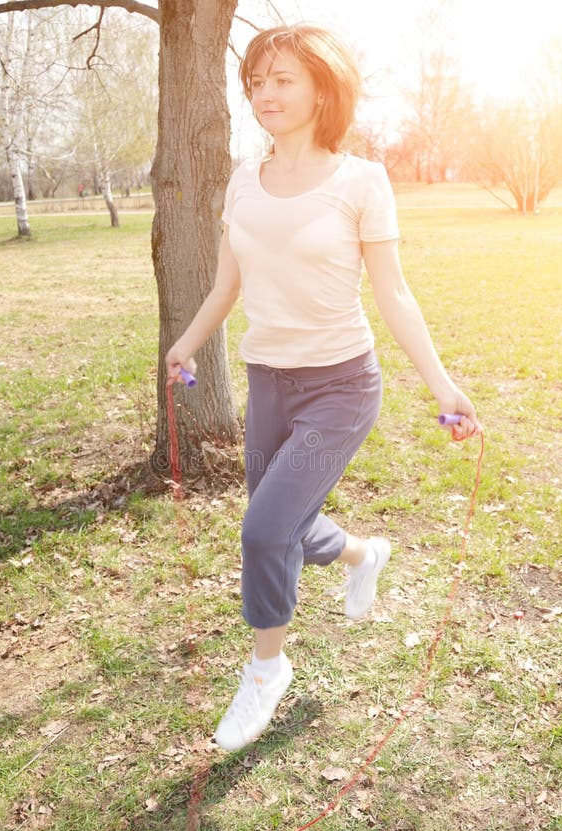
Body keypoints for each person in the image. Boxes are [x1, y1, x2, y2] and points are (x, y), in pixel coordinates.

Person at [166, 24, 481, 753]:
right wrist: (186, 341)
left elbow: (394, 294)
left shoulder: (360, 181)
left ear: (321, 90)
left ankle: (265, 670)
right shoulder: (243, 181)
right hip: (268, 381)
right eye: (257, 82)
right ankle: (364, 555)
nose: (265, 94)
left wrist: (443, 387)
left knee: (263, 529)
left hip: (341, 386)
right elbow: (226, 284)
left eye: (283, 80)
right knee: (286, 522)